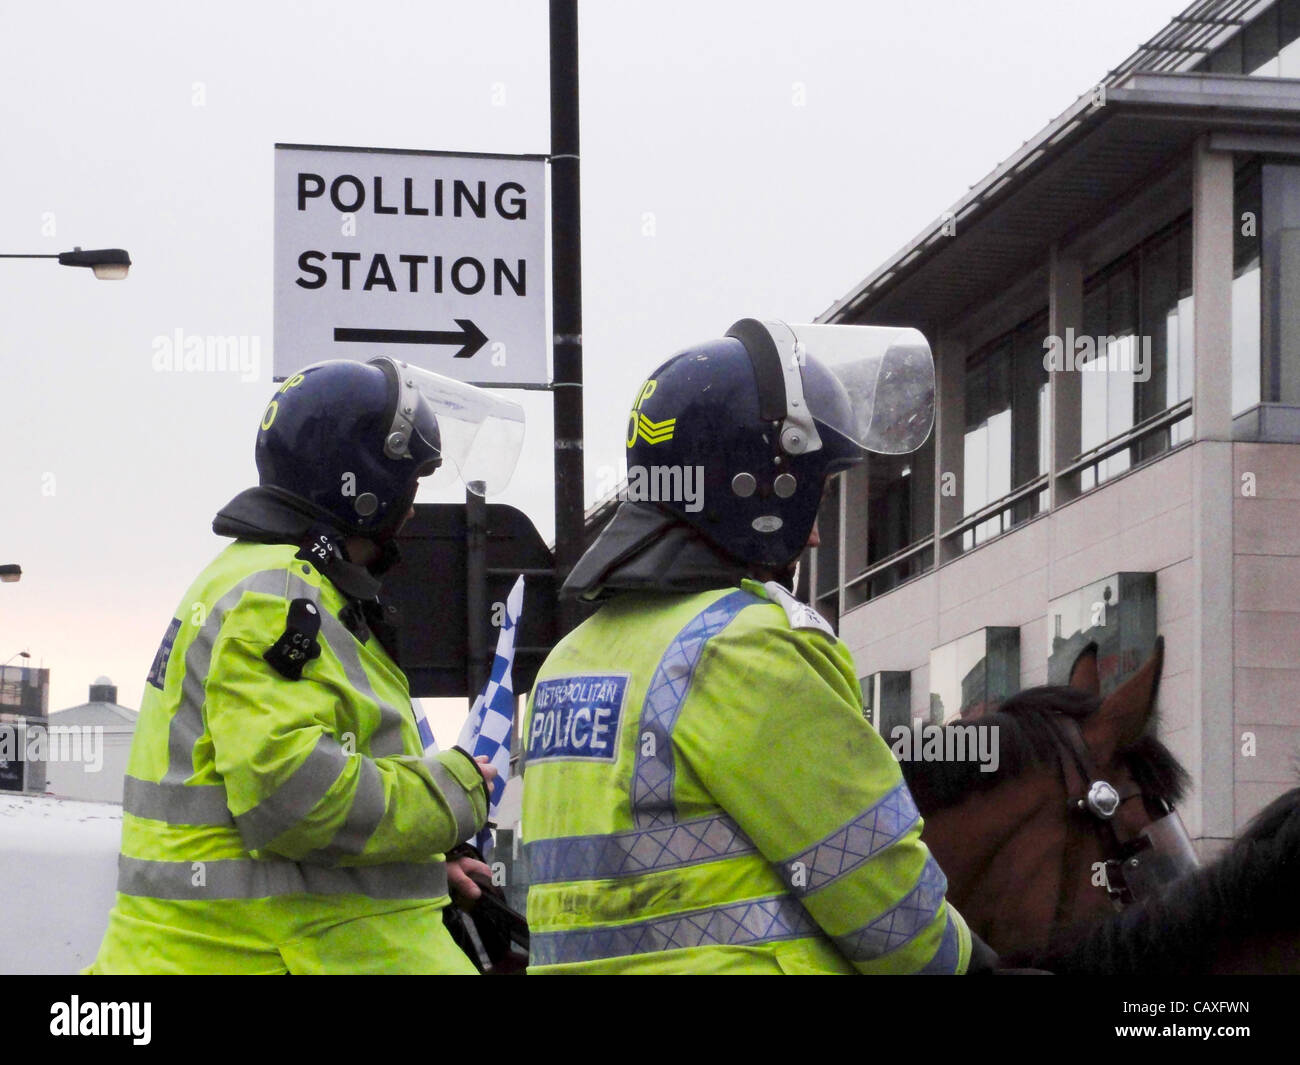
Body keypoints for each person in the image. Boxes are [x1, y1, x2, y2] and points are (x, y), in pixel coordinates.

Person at [521, 319, 997, 974]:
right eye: (815, 498)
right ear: (757, 492)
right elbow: (874, 890)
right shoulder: (746, 645)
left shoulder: (566, 662)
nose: (816, 540)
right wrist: (972, 961)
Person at [90, 356, 523, 974]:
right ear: (362, 487)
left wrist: (422, 863)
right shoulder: (281, 597)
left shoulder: (269, 581)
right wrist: (454, 793)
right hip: (275, 955)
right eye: (414, 483)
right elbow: (295, 797)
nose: (415, 507)